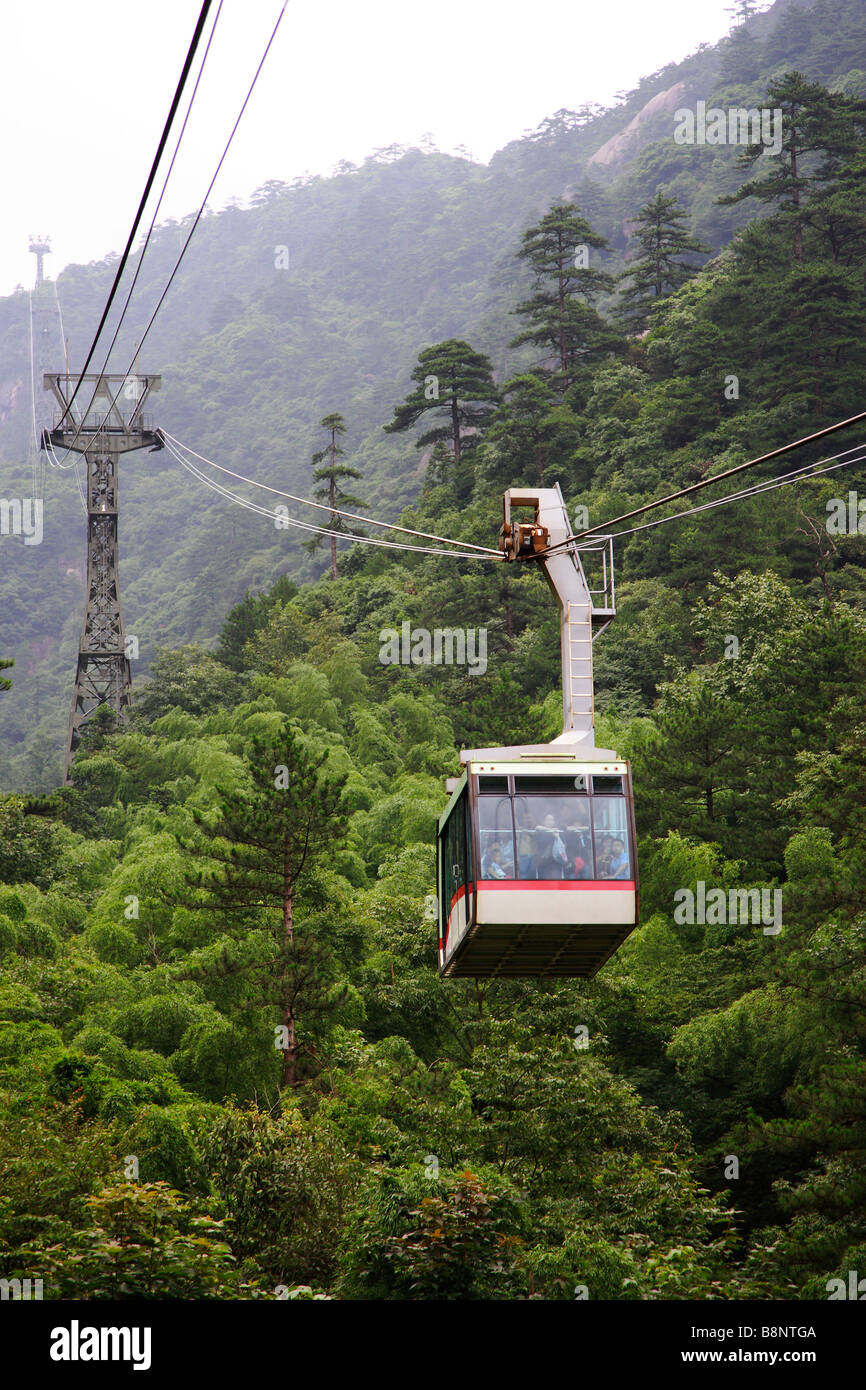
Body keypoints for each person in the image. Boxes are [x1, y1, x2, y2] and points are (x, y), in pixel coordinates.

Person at [535, 811, 569, 879]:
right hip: (543, 862)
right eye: (547, 819)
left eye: (552, 820)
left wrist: (557, 838)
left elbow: (564, 846)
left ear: (554, 822)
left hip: (556, 862)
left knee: (556, 884)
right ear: (544, 821)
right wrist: (551, 831)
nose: (549, 821)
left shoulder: (558, 832)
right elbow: (537, 827)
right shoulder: (541, 831)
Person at [515, 806, 537, 879]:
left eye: (529, 818)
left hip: (534, 858)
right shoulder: (519, 831)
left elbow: (534, 835)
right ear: (522, 820)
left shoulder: (536, 830)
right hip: (523, 857)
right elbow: (513, 820)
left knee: (534, 880)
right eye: (526, 818)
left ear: (533, 819)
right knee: (523, 878)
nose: (528, 820)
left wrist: (526, 831)